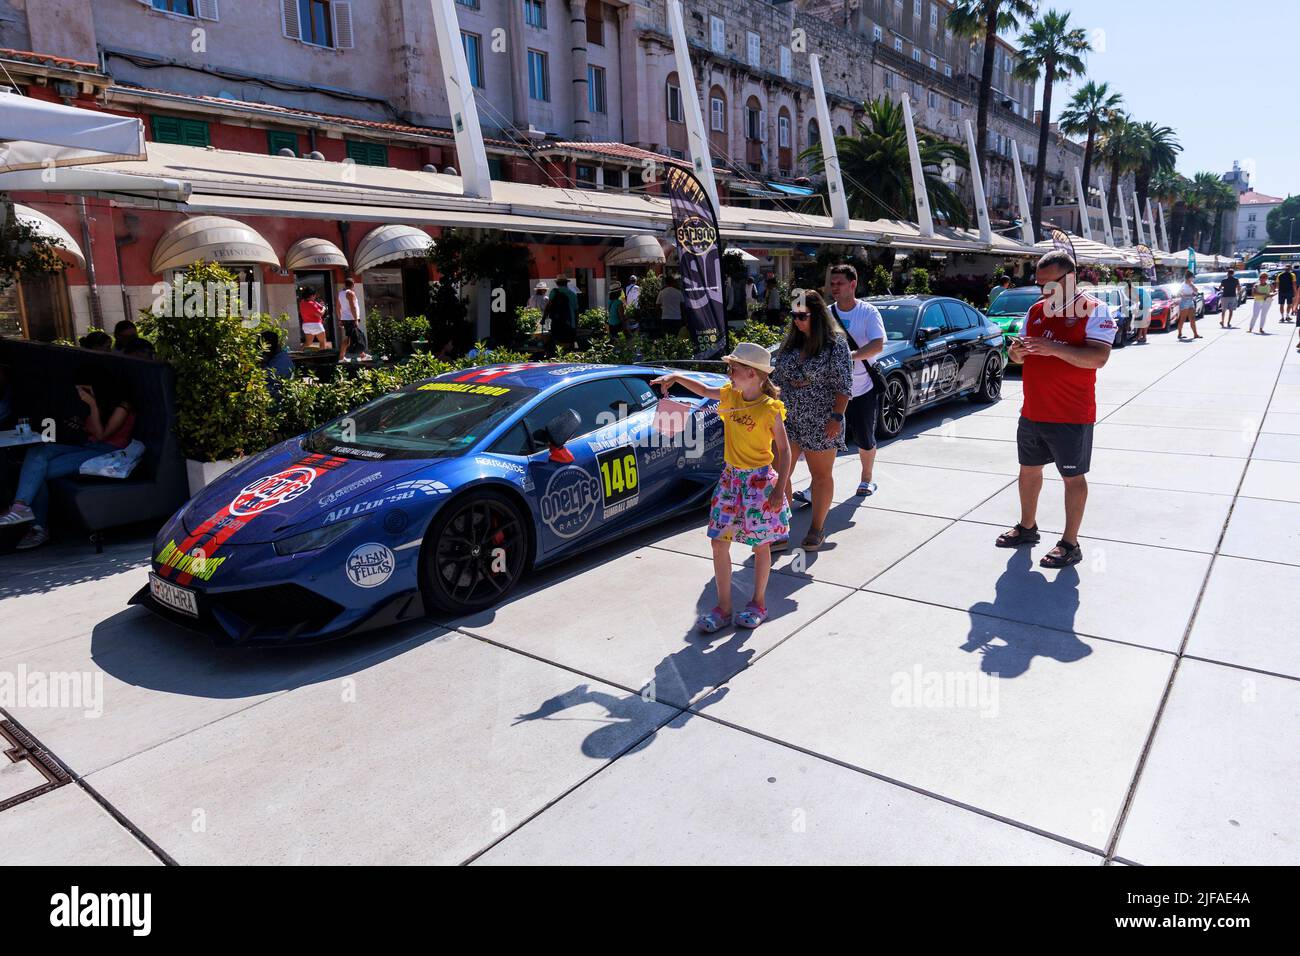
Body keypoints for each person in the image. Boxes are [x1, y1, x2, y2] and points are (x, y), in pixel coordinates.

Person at [651, 343, 791, 632]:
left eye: (733, 369)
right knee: (718, 541)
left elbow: (785, 450)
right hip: (730, 479)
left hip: (759, 481)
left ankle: (758, 603)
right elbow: (703, 389)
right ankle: (724, 607)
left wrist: (779, 489)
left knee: (761, 544)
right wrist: (675, 378)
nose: (729, 374)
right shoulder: (730, 396)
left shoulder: (770, 409)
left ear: (752, 374)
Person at [999, 250, 1113, 569]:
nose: (1042, 291)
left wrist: (1052, 348)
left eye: (1048, 284)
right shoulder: (1035, 311)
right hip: (1033, 410)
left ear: (1070, 279)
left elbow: (1098, 358)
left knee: (1072, 478)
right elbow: (1019, 357)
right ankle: (1027, 527)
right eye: (1039, 284)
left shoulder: (1094, 310)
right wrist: (1017, 352)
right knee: (1028, 470)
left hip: (1071, 413)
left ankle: (1070, 543)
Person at [0, 372, 135, 550]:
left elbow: (102, 435)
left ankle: (37, 526)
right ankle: (20, 507)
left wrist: (91, 404)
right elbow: (90, 431)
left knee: (37, 472)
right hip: (88, 445)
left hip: (107, 452)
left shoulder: (122, 406)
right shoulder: (101, 403)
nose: (80, 391)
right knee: (37, 451)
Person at [770, 290, 852, 552]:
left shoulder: (835, 344)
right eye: (793, 315)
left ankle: (817, 528)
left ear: (817, 315)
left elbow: (844, 386)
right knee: (778, 474)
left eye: (802, 316)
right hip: (788, 418)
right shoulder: (790, 343)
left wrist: (836, 418)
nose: (796, 321)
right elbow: (777, 379)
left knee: (820, 475)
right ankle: (781, 528)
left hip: (822, 419)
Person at [826, 263, 887, 496]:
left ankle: (866, 479)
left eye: (839, 283)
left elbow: (877, 344)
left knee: (864, 438)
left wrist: (849, 355)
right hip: (832, 389)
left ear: (853, 284)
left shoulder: (868, 312)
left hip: (862, 388)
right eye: (832, 283)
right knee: (825, 439)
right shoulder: (827, 313)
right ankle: (817, 485)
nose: (835, 287)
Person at [336, 277, 371, 362]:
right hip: (351, 319)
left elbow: (338, 307)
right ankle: (341, 358)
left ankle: (362, 355)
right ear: (353, 285)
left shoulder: (340, 293)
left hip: (345, 319)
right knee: (350, 338)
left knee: (352, 337)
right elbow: (353, 307)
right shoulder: (350, 293)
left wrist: (340, 319)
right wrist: (356, 319)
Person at [545, 275, 579, 350]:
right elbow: (576, 310)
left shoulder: (554, 292)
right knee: (569, 343)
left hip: (556, 321)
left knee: (557, 343)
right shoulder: (573, 294)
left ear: (557, 283)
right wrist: (576, 324)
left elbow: (548, 306)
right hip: (570, 323)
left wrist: (543, 318)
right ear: (566, 283)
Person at [1175, 270, 1202, 341]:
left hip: (1190, 301)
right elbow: (1178, 293)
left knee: (1192, 318)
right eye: (1192, 277)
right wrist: (1184, 295)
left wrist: (1192, 286)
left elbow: (1196, 292)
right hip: (1184, 302)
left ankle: (1195, 334)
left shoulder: (1191, 284)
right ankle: (1179, 333)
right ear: (1189, 278)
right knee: (1183, 319)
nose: (1193, 279)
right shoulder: (1183, 285)